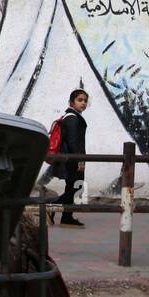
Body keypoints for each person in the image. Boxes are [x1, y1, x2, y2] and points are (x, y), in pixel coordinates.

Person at [52, 89, 89, 227]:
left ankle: (66, 217)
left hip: (71, 159)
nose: (83, 103)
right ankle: (50, 206)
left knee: (71, 187)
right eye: (80, 100)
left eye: (85, 100)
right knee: (76, 188)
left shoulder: (72, 116)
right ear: (71, 102)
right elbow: (73, 142)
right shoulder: (72, 118)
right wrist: (80, 160)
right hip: (72, 160)